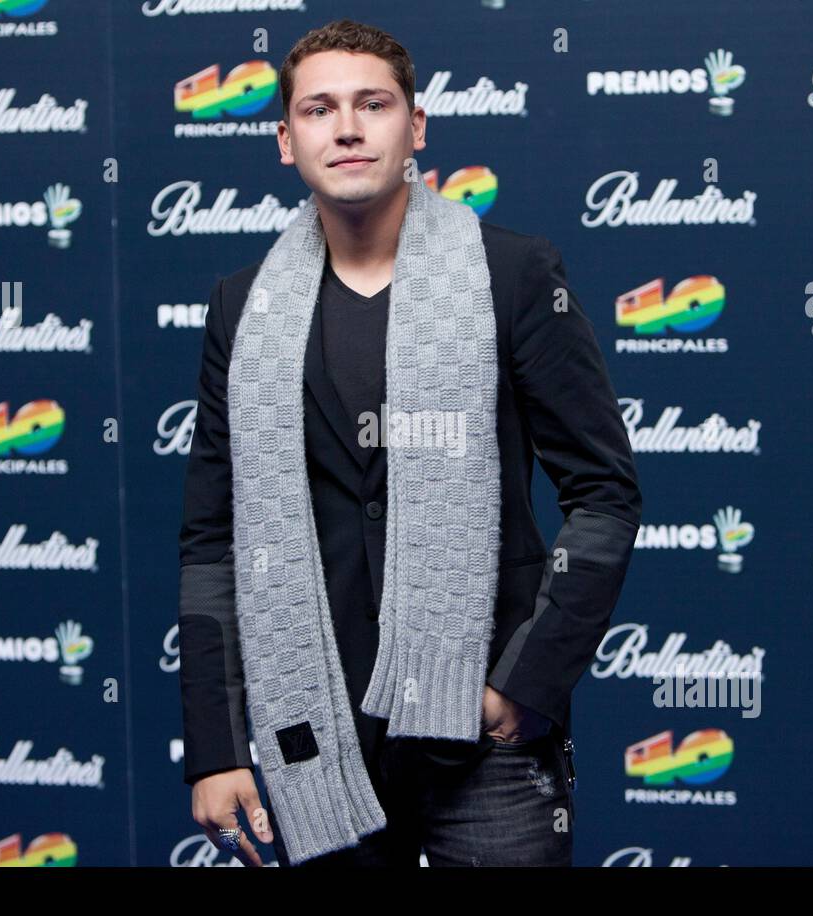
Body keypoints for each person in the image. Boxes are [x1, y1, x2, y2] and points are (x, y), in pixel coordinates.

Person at [177, 18, 642, 867]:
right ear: (287, 141)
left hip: (485, 734)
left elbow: (604, 496)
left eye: (373, 104)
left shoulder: (515, 274)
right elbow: (213, 539)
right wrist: (213, 746)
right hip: (313, 732)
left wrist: (524, 684)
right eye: (319, 109)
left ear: (415, 128)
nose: (347, 127)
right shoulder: (243, 307)